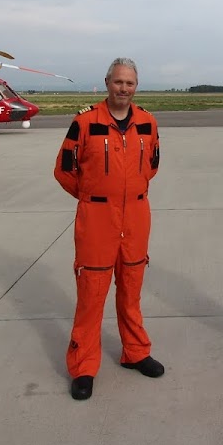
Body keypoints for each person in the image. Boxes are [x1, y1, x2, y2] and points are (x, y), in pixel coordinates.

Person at [53, 57, 164, 400]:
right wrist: (93, 197)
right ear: (107, 83)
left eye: (129, 83)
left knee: (131, 289)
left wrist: (127, 195)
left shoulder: (147, 122)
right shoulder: (85, 122)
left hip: (136, 217)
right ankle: (84, 366)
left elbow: (153, 165)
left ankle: (136, 352)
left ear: (136, 86)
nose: (123, 89)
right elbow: (64, 170)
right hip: (97, 219)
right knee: (92, 295)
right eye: (118, 82)